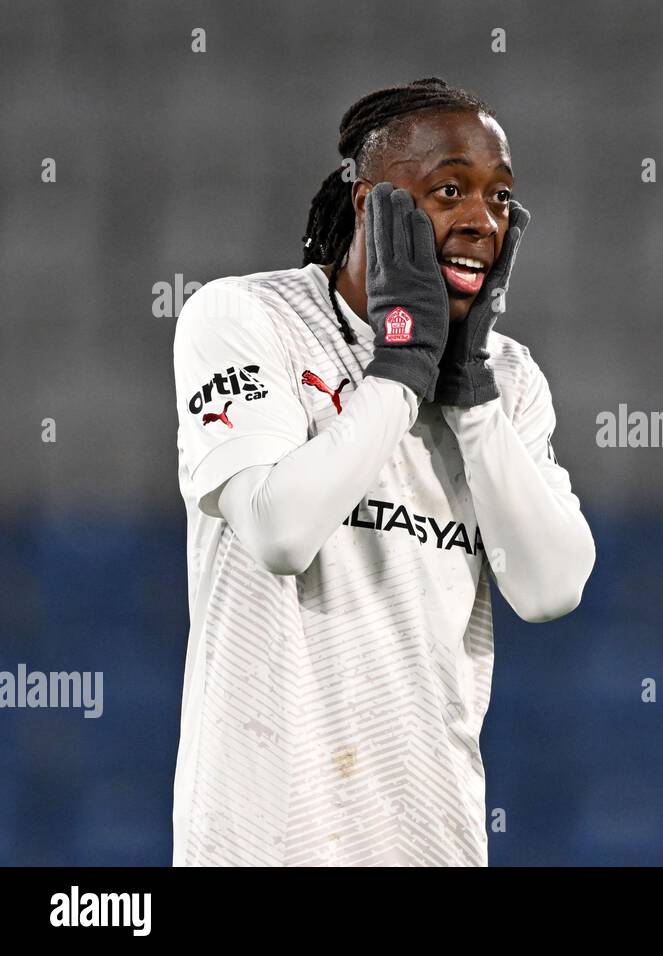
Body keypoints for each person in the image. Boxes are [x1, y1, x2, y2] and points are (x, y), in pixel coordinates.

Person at [170, 76, 595, 866]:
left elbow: (549, 589)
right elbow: (279, 531)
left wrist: (469, 401)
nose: (481, 220)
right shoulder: (247, 319)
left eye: (500, 198)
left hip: (433, 840)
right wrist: (400, 371)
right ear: (372, 208)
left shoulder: (510, 379)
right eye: (448, 190)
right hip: (261, 842)